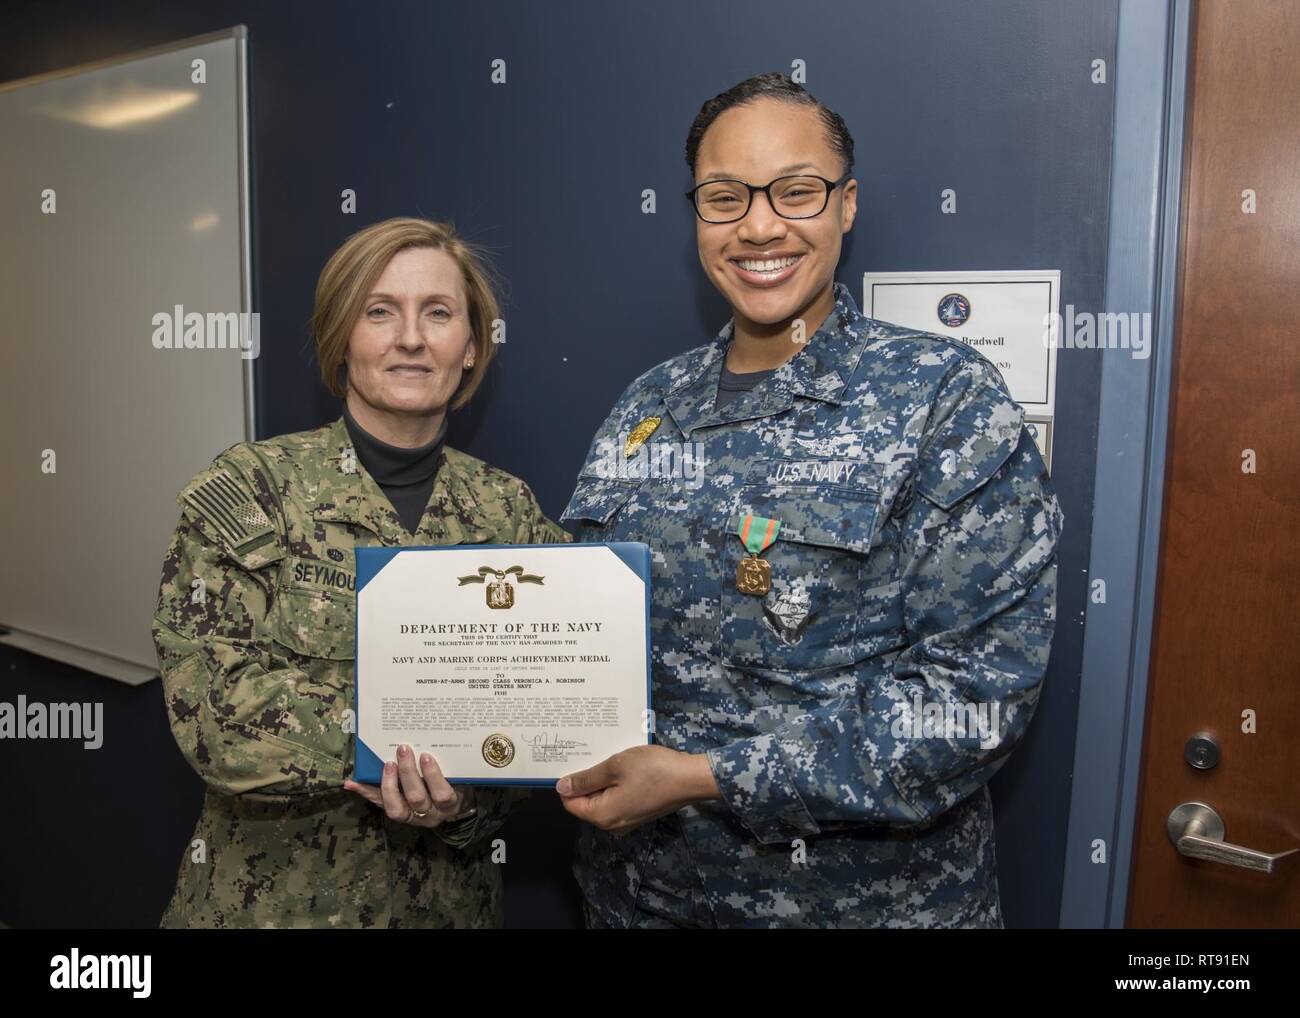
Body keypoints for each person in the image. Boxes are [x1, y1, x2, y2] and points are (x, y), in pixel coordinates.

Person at [555, 73, 1064, 928]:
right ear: (696, 215)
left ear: (846, 205)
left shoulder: (945, 401)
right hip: (644, 903)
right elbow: (572, 637)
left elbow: (974, 699)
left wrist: (707, 778)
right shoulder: (645, 408)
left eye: (796, 191)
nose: (759, 225)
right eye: (725, 198)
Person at [153, 216, 567, 928]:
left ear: (470, 348)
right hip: (275, 909)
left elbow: (546, 713)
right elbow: (215, 715)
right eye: (381, 312)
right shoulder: (252, 490)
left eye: (438, 313)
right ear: (342, 338)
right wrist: (416, 735)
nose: (411, 337)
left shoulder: (508, 512)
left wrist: (465, 802)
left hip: (448, 908)